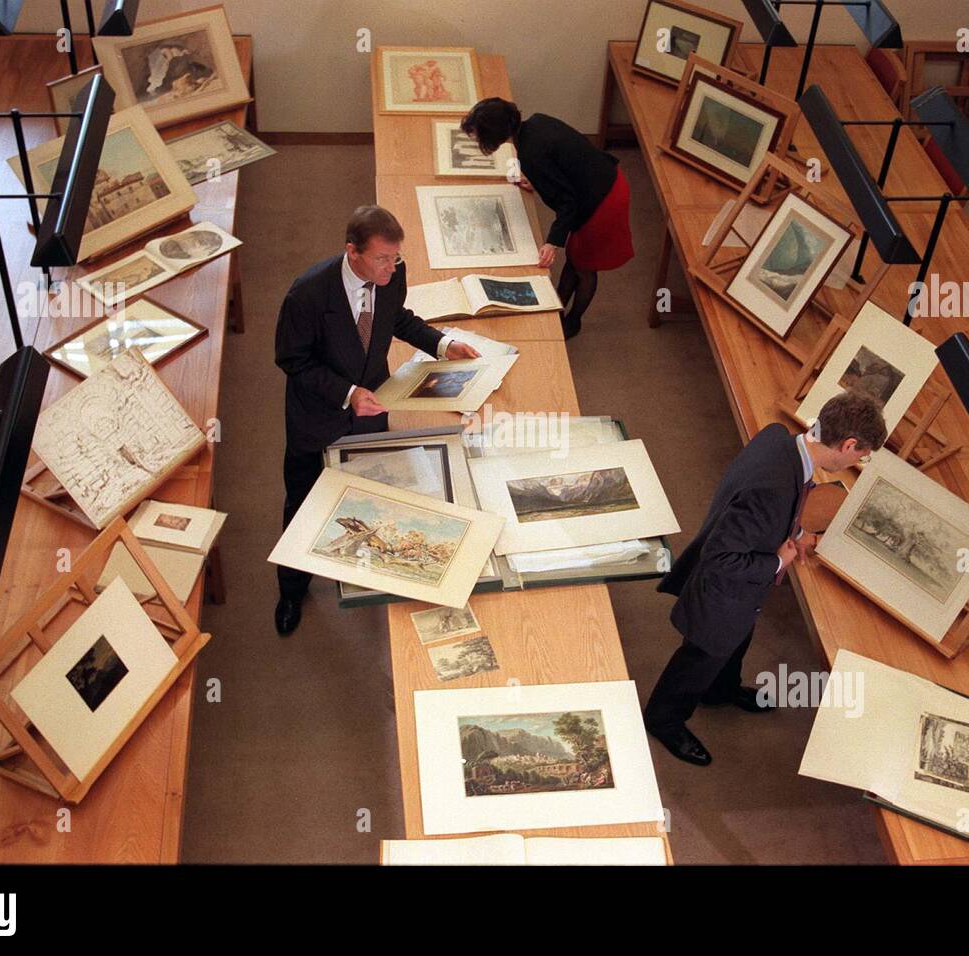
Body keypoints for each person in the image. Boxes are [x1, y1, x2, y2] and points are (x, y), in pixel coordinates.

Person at [644, 390, 888, 766]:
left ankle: (720, 691)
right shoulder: (771, 490)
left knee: (736, 643)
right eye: (862, 454)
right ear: (849, 444)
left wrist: (793, 533)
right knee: (700, 657)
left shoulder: (779, 439)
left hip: (741, 596)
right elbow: (722, 559)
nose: (860, 460)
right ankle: (663, 719)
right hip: (721, 593)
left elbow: (761, 515)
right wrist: (776, 562)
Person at [273, 205, 480, 635]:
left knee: (366, 492)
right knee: (302, 502)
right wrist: (347, 395)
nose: (392, 267)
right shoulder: (307, 294)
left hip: (371, 412)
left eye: (396, 258)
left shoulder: (391, 275)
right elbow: (293, 360)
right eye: (382, 258)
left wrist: (442, 344)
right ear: (353, 252)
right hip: (318, 416)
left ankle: (368, 571)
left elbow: (395, 318)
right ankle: (292, 589)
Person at [460, 97, 633, 339]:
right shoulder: (536, 123)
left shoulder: (531, 152)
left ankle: (573, 321)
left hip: (604, 200)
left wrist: (553, 242)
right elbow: (566, 159)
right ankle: (557, 309)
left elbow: (567, 203)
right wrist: (538, 179)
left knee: (584, 266)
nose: (478, 141)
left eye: (479, 136)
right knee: (576, 258)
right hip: (606, 178)